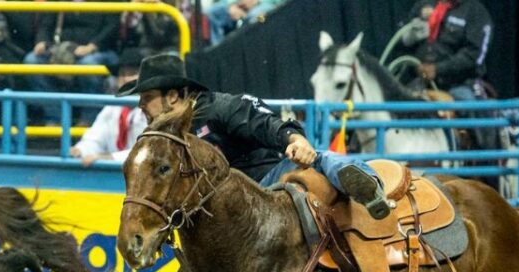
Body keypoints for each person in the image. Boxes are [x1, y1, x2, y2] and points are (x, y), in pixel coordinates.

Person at [118, 54, 388, 218]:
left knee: (316, 160)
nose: (141, 105)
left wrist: (294, 139)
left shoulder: (221, 107)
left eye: (148, 97)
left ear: (173, 96)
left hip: (264, 184)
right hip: (222, 208)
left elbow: (264, 122)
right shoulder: (162, 137)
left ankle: (368, 184)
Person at [398, 0, 493, 101]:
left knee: (467, 102)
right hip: (419, 82)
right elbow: (399, 41)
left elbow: (474, 55)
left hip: (459, 85)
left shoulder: (475, 11)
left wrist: (437, 69)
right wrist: (413, 29)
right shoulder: (423, 5)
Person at [70, 49, 149, 166]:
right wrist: (81, 150)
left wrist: (111, 157)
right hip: (116, 173)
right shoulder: (112, 107)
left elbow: (148, 151)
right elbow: (95, 138)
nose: (127, 79)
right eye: (122, 74)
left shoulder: (153, 108)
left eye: (133, 73)